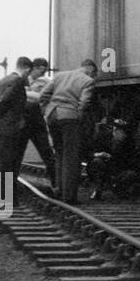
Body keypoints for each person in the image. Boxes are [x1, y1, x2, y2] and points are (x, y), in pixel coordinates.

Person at [39, 59, 98, 205]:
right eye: (95, 73)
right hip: (70, 118)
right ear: (90, 69)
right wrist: (78, 117)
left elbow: (43, 95)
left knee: (59, 154)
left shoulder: (60, 76)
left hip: (52, 115)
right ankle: (69, 197)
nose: (94, 76)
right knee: (71, 157)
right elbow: (84, 103)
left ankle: (58, 191)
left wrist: (46, 111)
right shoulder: (88, 81)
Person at [0, 56, 33, 190]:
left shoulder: (4, 79)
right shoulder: (17, 80)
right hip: (7, 128)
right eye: (28, 74)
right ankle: (1, 196)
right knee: (5, 163)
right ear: (26, 70)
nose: (27, 78)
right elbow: (4, 100)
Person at [22, 58, 60, 193]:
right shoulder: (23, 79)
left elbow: (43, 98)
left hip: (37, 121)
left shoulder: (45, 82)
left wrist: (26, 94)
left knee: (47, 154)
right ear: (35, 68)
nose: (42, 74)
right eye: (41, 70)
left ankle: (56, 184)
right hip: (23, 121)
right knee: (17, 154)